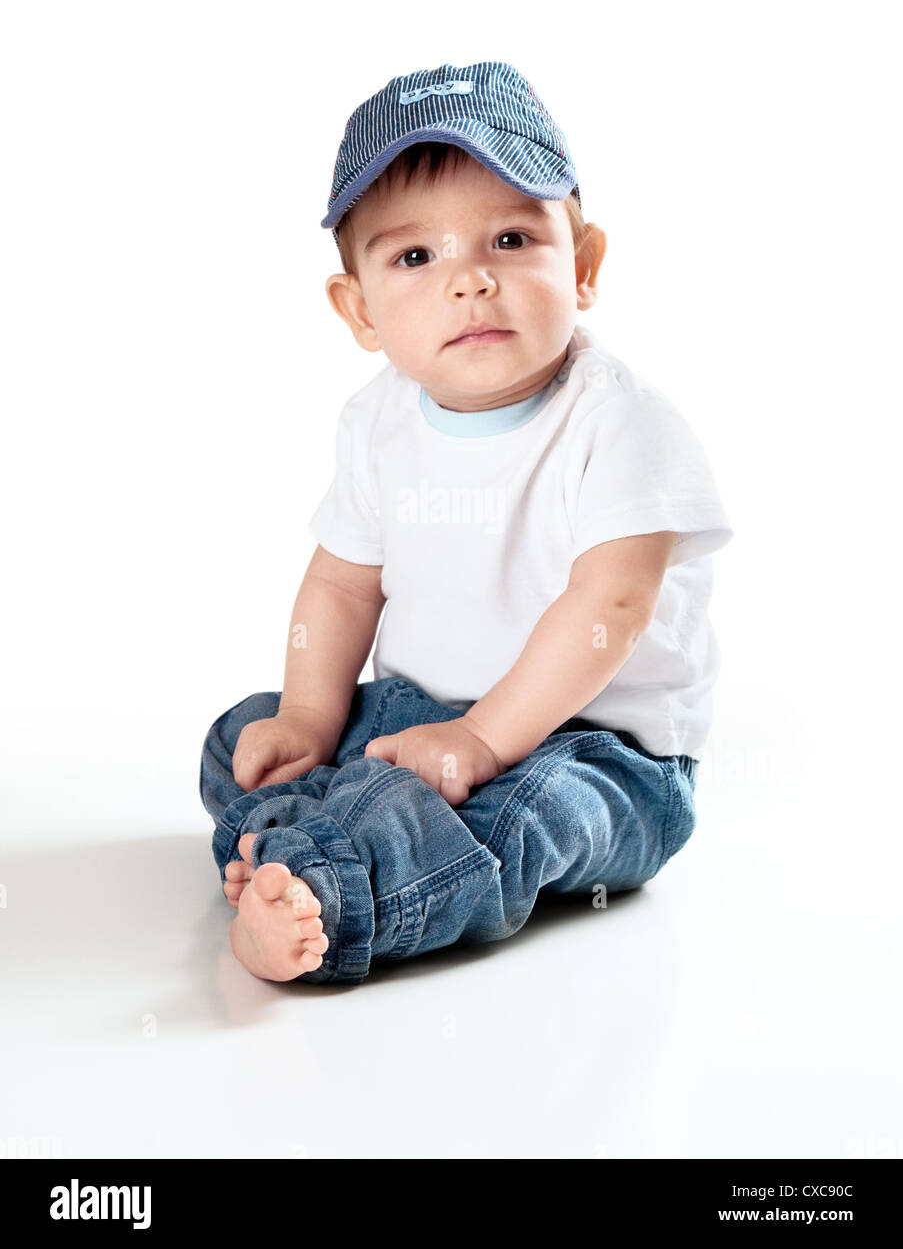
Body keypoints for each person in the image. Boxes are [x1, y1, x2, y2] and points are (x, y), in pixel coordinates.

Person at [199, 60, 733, 985]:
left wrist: (484, 740)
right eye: (416, 257)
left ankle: (328, 891)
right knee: (242, 737)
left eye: (512, 238)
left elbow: (611, 601)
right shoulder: (376, 421)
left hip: (595, 749)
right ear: (359, 310)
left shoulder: (621, 423)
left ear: (585, 264)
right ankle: (310, 841)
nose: (471, 281)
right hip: (421, 722)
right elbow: (339, 581)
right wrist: (311, 712)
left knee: (525, 813)